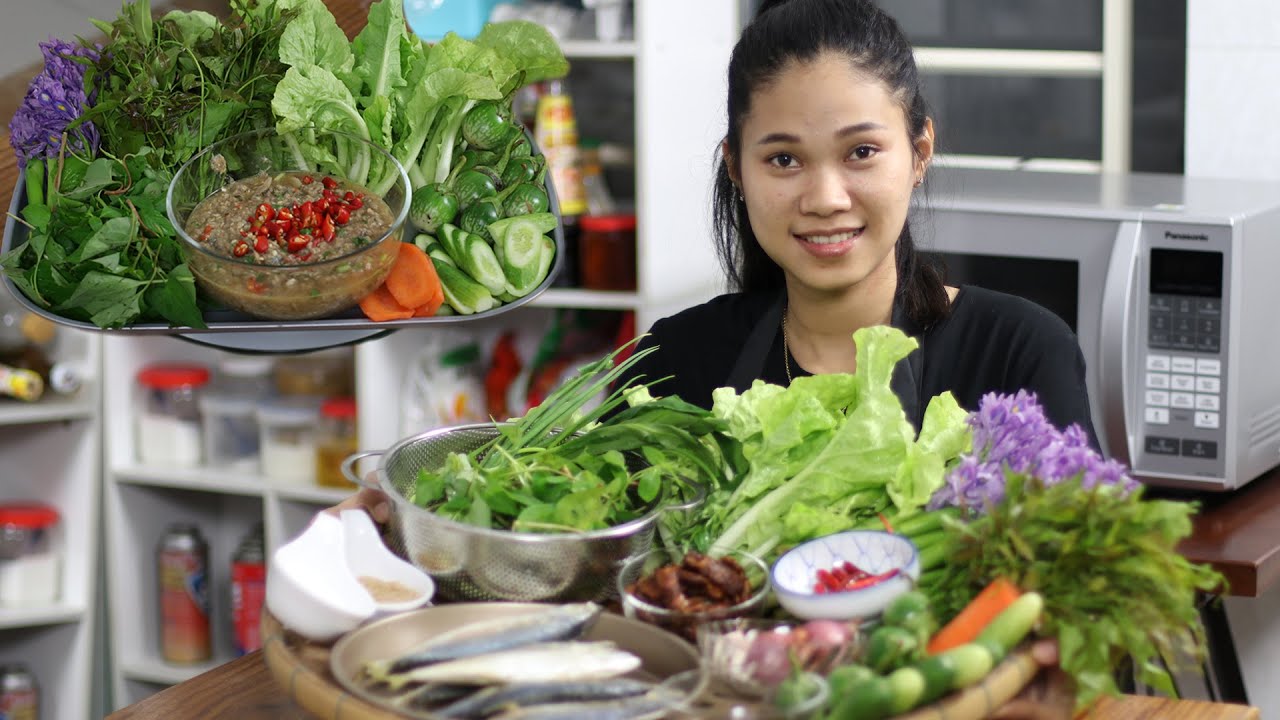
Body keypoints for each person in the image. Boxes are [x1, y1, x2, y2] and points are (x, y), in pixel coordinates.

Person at [617, 0, 1098, 454]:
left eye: (861, 152)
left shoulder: (1020, 353)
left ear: (920, 153)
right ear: (737, 168)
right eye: (784, 159)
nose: (827, 199)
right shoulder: (671, 364)